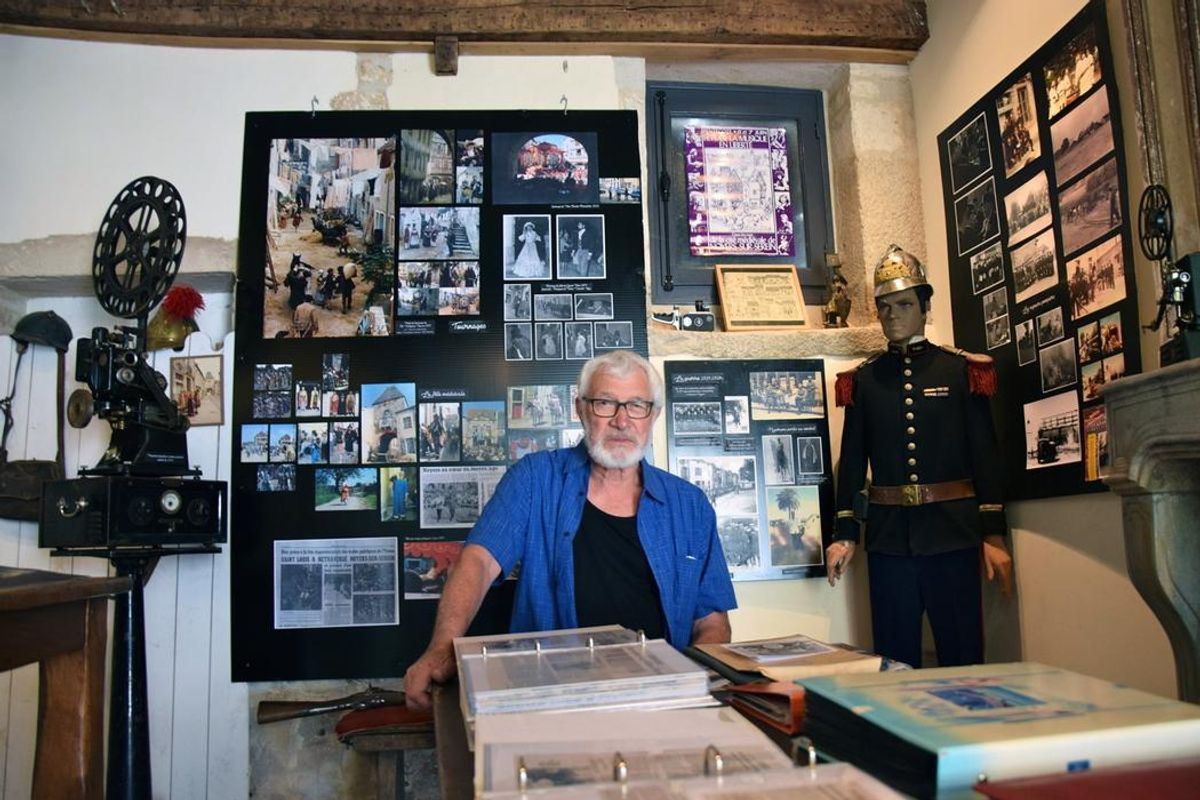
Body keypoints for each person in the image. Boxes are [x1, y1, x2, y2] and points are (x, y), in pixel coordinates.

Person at [403, 351, 736, 710]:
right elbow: (479, 561)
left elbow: (712, 623)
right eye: (605, 403)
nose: (622, 420)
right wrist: (442, 647)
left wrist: (690, 687)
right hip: (552, 700)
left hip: (662, 703)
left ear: (653, 415)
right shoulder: (534, 480)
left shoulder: (690, 505)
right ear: (580, 409)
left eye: (637, 405)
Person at [826, 245, 1013, 669]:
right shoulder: (864, 380)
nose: (892, 315)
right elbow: (852, 460)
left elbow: (985, 455)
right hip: (890, 540)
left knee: (963, 657)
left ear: (925, 307)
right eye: (884, 306)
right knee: (894, 661)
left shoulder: (959, 371)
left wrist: (993, 535)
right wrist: (845, 533)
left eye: (905, 304)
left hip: (954, 534)